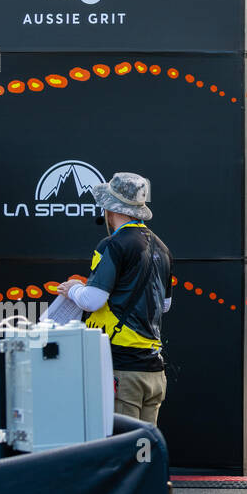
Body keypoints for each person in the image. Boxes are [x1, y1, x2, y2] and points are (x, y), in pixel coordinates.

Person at [53, 172, 172, 425]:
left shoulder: (113, 245)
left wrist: (73, 289)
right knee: (144, 453)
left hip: (121, 369)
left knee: (120, 452)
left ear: (109, 208)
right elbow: (164, 305)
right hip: (154, 371)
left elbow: (93, 300)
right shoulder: (162, 247)